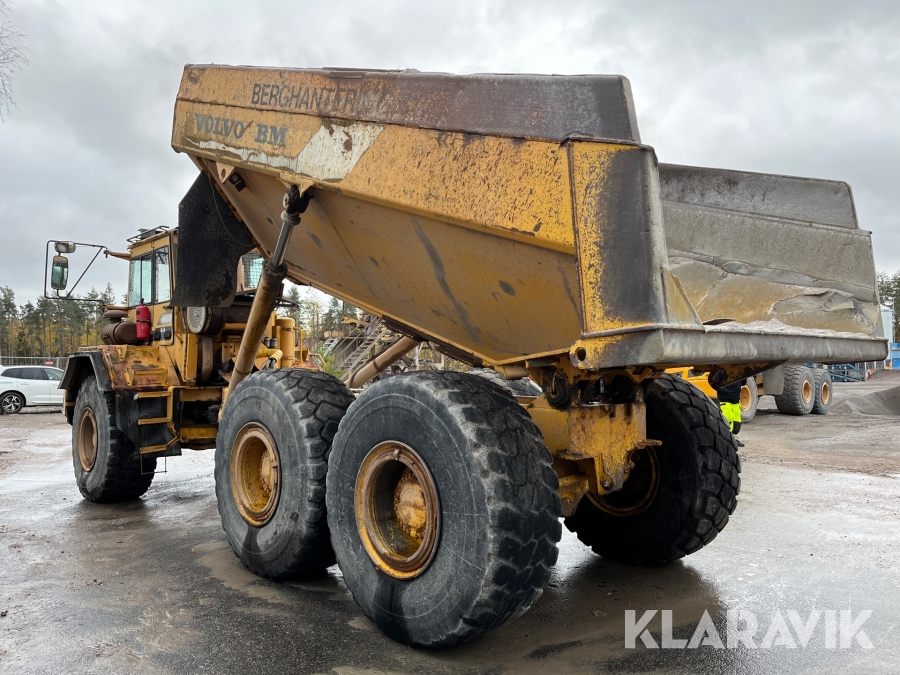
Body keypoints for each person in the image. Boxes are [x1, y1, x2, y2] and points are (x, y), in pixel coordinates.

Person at [717, 379, 746, 447]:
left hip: (735, 401)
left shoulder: (738, 371)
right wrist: (723, 391)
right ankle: (725, 440)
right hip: (725, 400)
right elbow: (715, 382)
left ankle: (734, 439)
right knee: (726, 420)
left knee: (736, 421)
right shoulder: (722, 371)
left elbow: (743, 382)